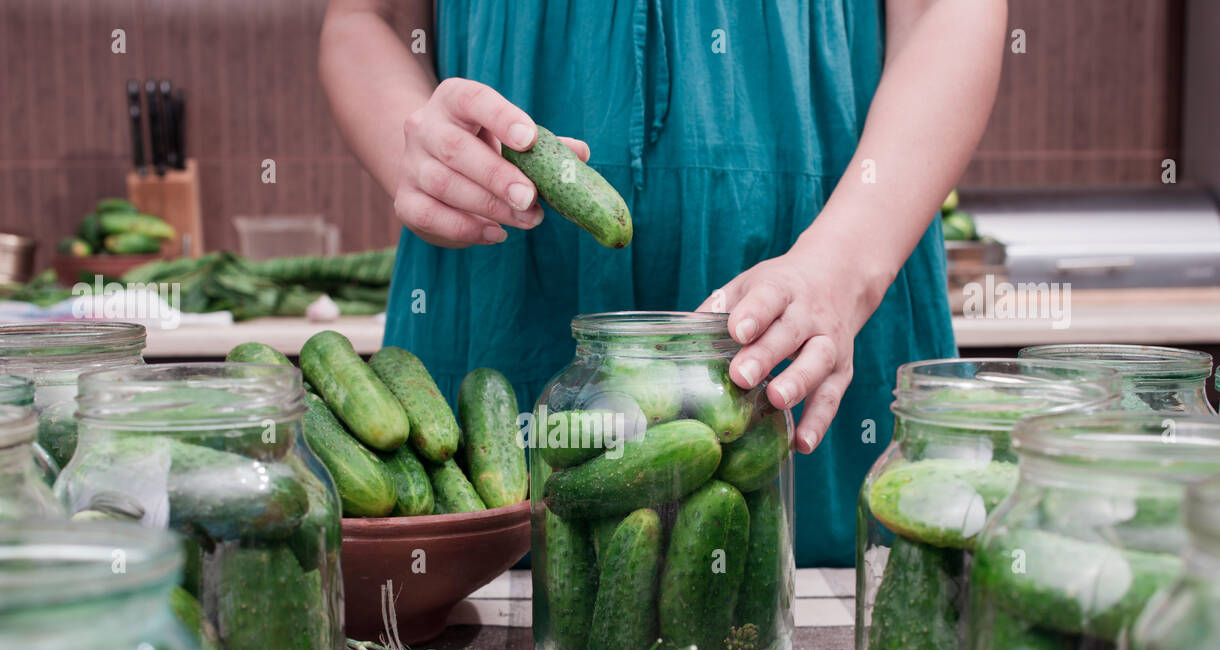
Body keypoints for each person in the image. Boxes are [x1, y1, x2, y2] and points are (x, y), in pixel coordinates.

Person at [320, 0, 1006, 566]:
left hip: (828, 272)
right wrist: (410, 144)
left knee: (843, 638)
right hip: (498, 292)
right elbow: (367, 19)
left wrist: (845, 262)